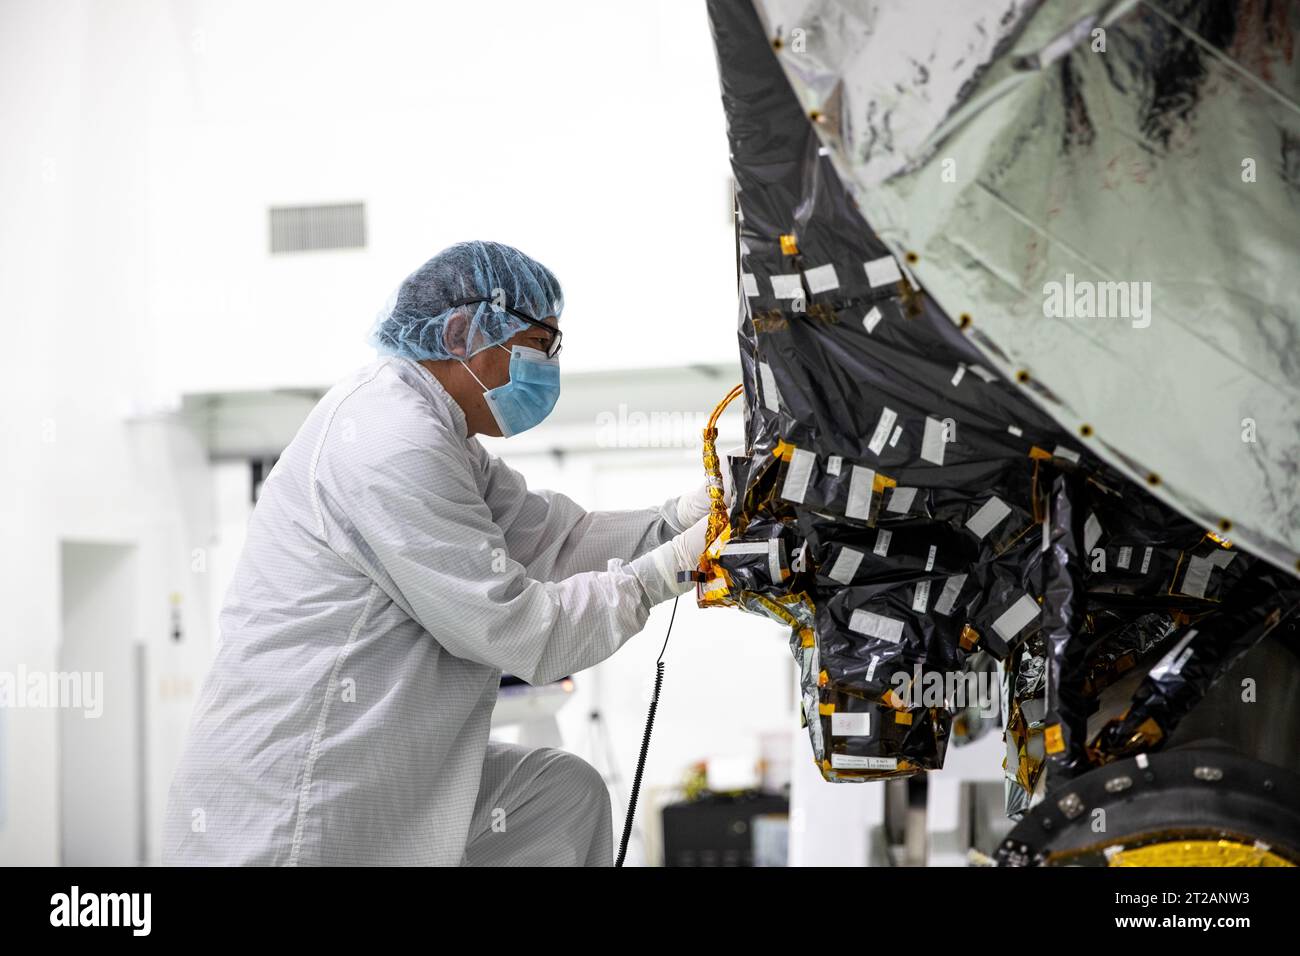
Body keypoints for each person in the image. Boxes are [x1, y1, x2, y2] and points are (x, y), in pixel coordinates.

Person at [162, 240, 724, 866]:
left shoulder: (441, 437)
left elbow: (555, 543)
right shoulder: (390, 439)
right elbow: (518, 631)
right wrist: (668, 571)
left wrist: (680, 518)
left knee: (559, 796)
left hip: (380, 762)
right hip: (302, 795)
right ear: (461, 332)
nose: (549, 367)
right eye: (540, 345)